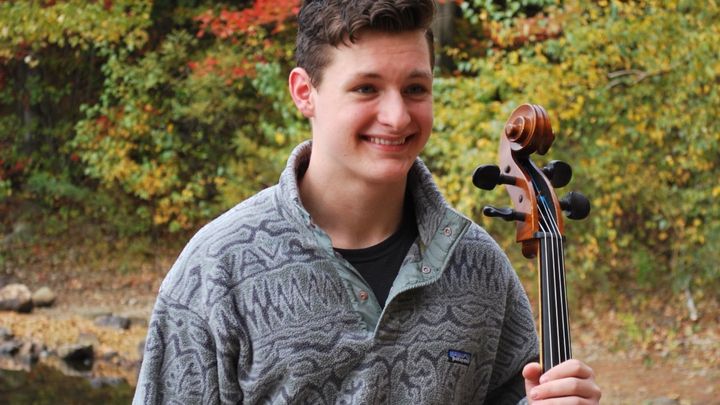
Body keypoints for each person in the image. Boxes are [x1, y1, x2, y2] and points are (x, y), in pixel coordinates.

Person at [133, 0, 602, 403]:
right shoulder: (215, 271)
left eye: (415, 89)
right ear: (305, 93)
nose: (397, 116)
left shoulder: (479, 269)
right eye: (366, 88)